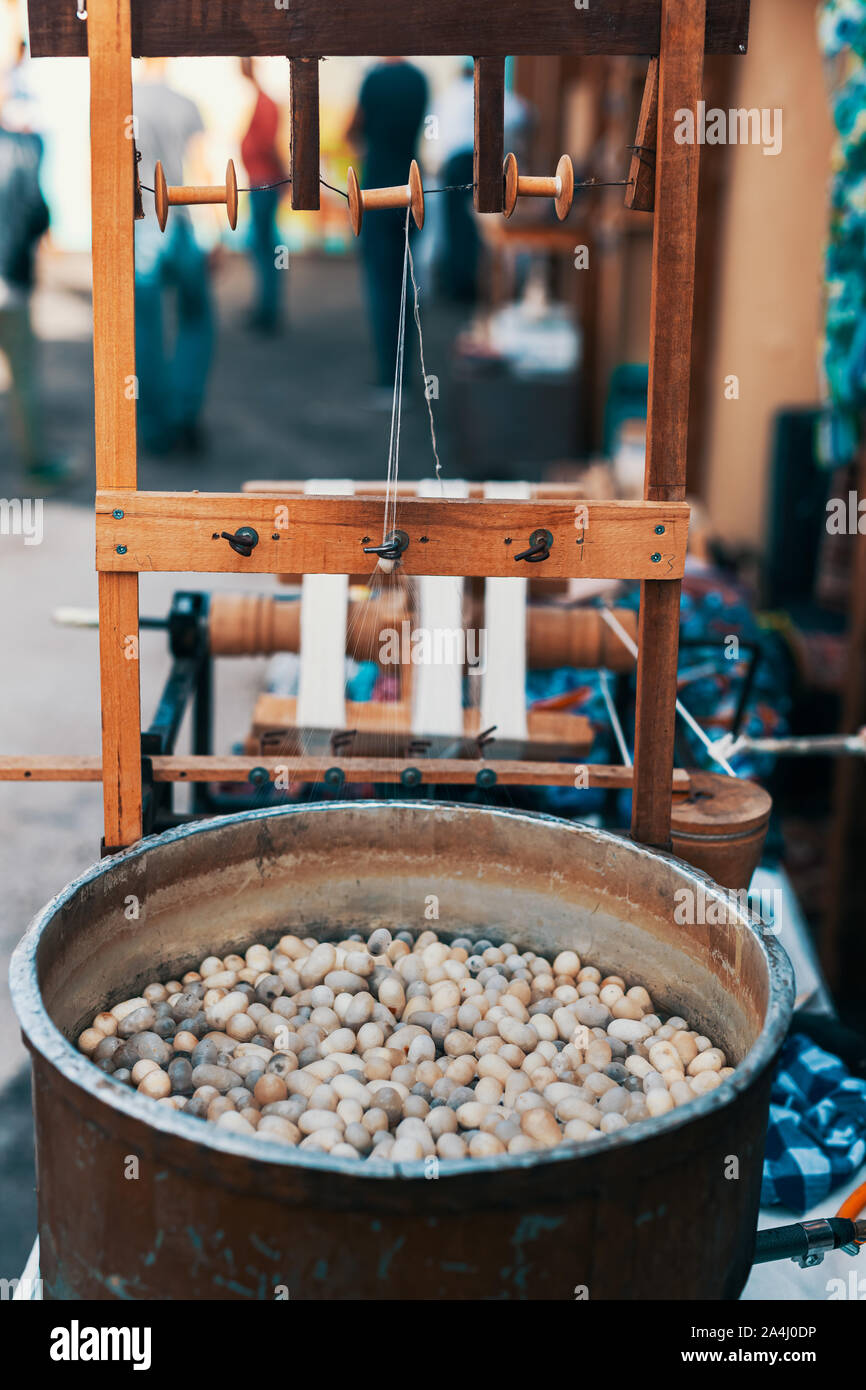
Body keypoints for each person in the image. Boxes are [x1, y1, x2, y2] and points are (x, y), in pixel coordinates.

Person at [133, 60, 216, 454]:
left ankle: (155, 428)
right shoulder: (186, 103)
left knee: (145, 329)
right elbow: (201, 169)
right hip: (181, 224)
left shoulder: (122, 103)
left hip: (140, 225)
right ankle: (185, 412)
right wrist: (216, 230)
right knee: (196, 318)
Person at [347, 58, 428, 402]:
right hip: (412, 190)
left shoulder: (373, 81)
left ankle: (389, 381)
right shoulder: (418, 79)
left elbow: (351, 131)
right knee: (405, 286)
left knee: (382, 290)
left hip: (377, 192)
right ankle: (403, 375)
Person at [430, 61, 531, 303]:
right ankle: (475, 282)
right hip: (480, 163)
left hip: (453, 164)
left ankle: (456, 284)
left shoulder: (447, 95)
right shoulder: (489, 90)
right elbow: (523, 114)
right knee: (480, 221)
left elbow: (433, 129)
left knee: (454, 224)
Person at [0, 79, 59, 483]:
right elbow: (38, 213)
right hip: (11, 280)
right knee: (23, 378)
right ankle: (37, 464)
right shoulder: (21, 147)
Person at [240, 58, 287, 334]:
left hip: (264, 184)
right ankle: (265, 306)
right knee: (260, 245)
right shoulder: (259, 101)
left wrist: (283, 178)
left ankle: (268, 310)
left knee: (264, 246)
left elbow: (269, 145)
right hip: (260, 182)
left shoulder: (265, 103)